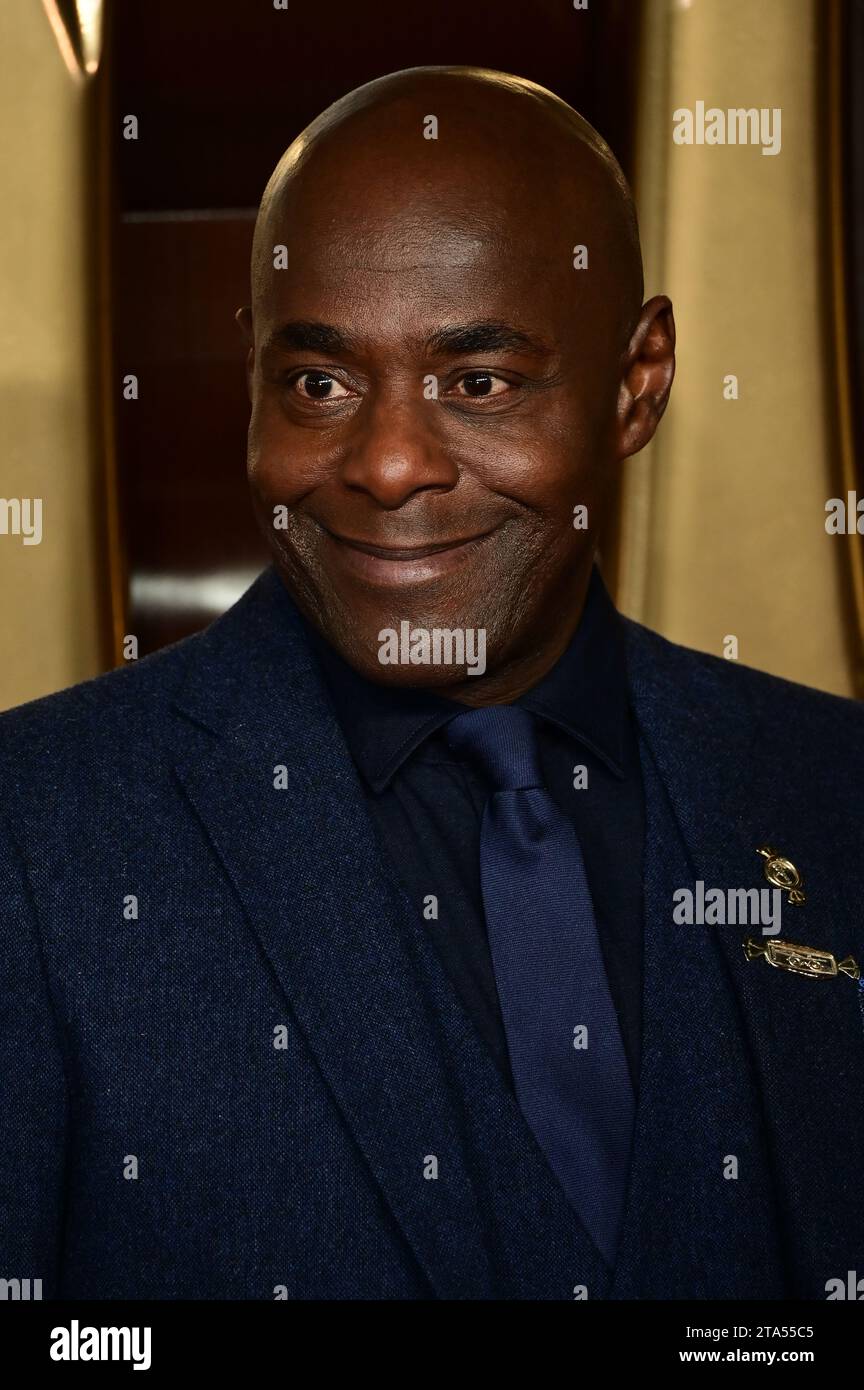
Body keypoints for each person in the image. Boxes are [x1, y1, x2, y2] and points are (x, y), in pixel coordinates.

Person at [1, 66, 862, 1301]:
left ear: (639, 380)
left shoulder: (832, 785)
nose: (390, 463)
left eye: (479, 383)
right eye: (319, 384)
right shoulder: (34, 835)